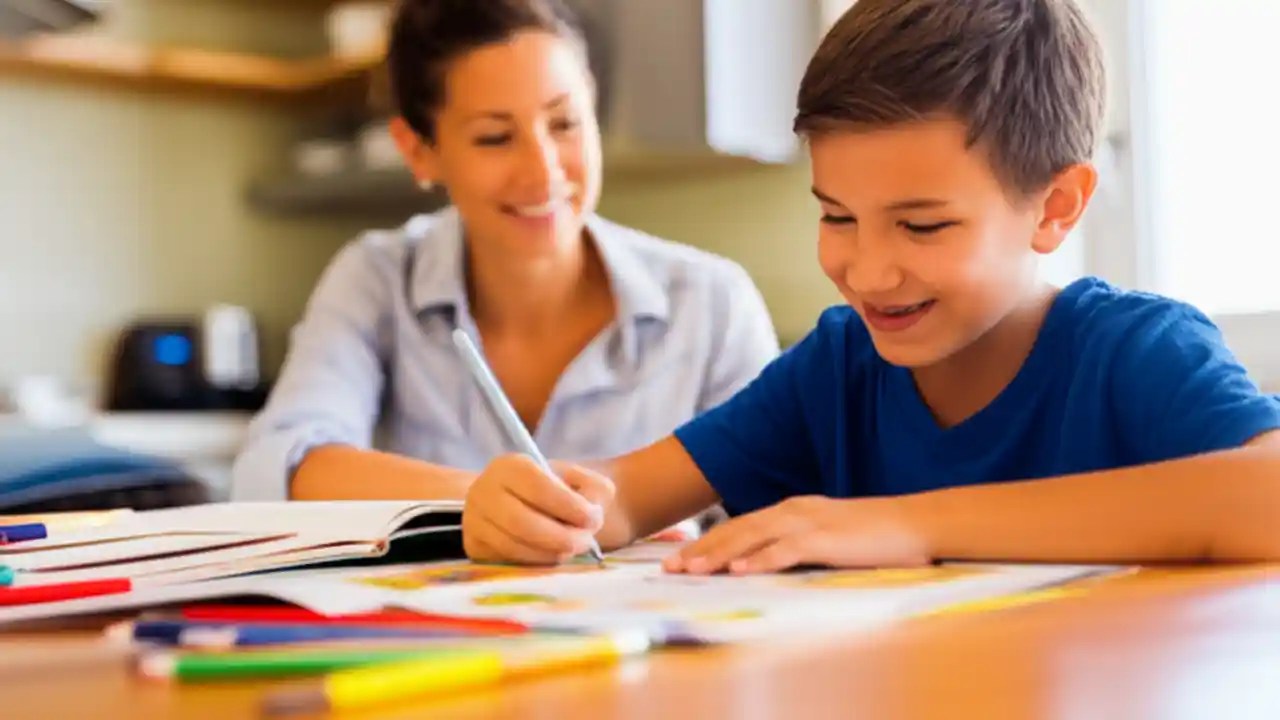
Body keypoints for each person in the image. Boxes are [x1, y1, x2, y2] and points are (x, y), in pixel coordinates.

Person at [460, 0, 1280, 571]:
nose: (868, 270)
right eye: (837, 216)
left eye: (922, 226)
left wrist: (906, 523)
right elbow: (627, 496)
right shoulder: (838, 367)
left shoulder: (1134, 352)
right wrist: (545, 505)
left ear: (1056, 208)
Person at [231, 0, 778, 502]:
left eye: (564, 123)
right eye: (495, 137)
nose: (543, 173)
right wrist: (484, 500)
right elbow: (279, 464)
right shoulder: (378, 278)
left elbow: (781, 496)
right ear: (419, 151)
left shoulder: (712, 303)